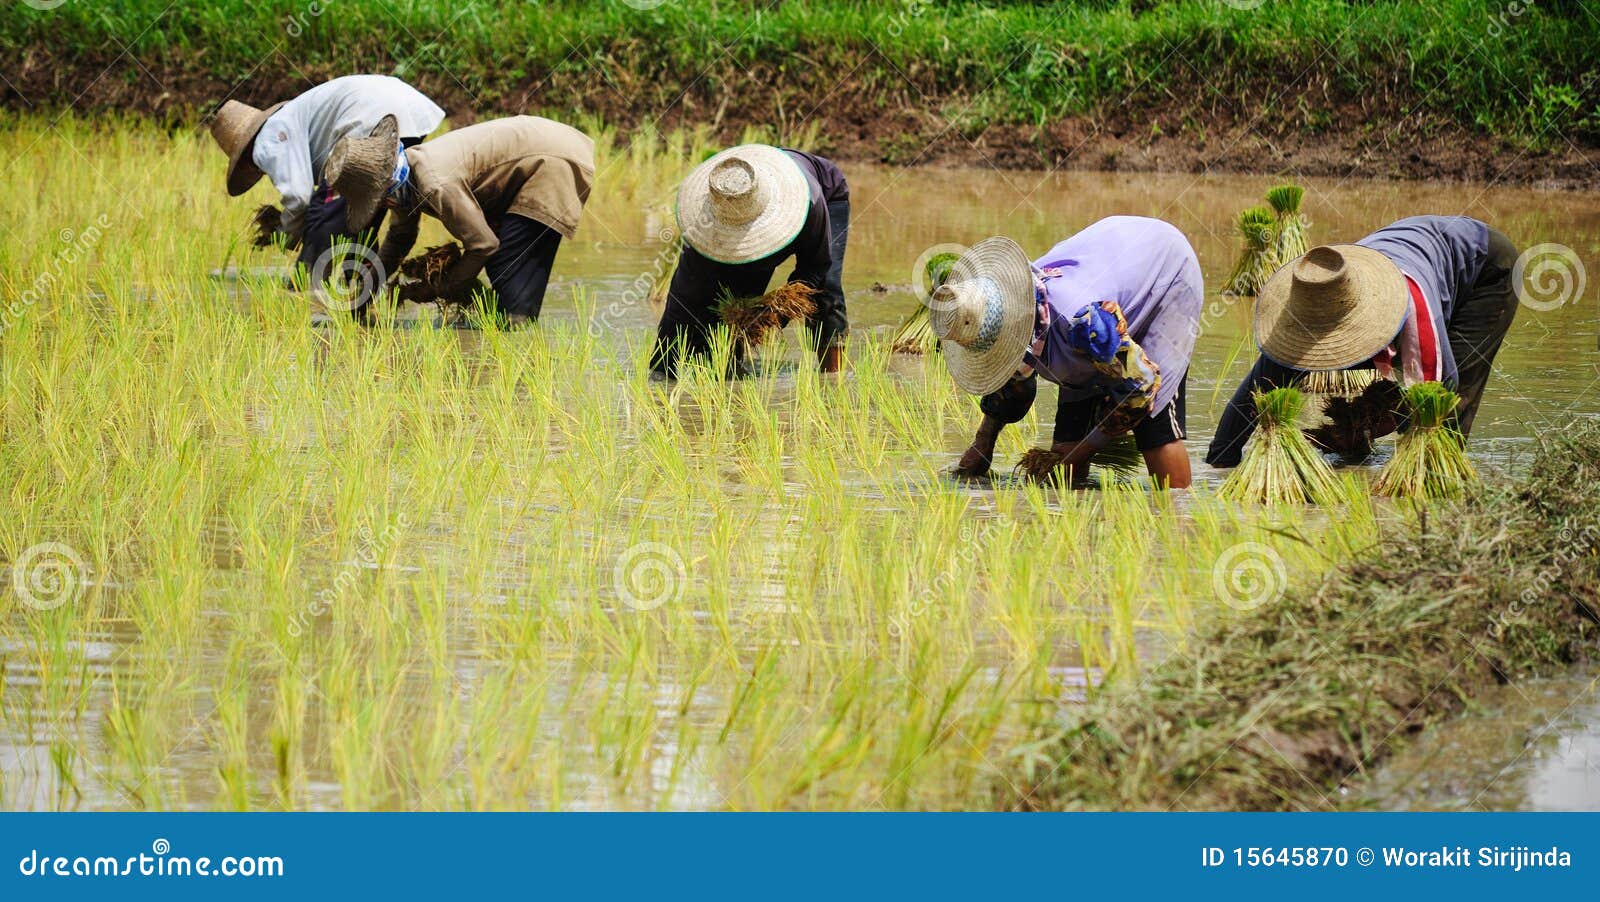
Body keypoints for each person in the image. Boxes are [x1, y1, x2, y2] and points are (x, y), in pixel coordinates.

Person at [1206, 215, 1519, 467]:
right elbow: (1254, 393)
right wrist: (1222, 459)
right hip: (1405, 248)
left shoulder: (1413, 311)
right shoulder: (1306, 313)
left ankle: (1437, 493)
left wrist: (1382, 429)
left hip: (1485, 269)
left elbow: (1440, 392)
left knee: (1448, 407)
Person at [940, 216, 1204, 489]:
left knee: (1153, 427)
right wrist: (983, 443)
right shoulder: (1007, 310)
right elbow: (1010, 383)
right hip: (1101, 284)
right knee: (1066, 452)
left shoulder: (1083, 322)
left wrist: (1082, 453)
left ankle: (1177, 515)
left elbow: (1141, 387)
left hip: (1166, 268)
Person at [323, 114, 595, 323]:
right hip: (536, 153)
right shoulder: (403, 176)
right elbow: (399, 238)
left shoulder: (435, 184)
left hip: (552, 161)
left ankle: (518, 336)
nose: (383, 207)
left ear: (385, 193)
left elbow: (484, 245)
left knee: (507, 266)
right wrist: (362, 296)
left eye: (378, 203)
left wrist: (442, 287)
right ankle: (507, 327)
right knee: (503, 274)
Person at [208, 75, 445, 281]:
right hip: (411, 111)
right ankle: (360, 286)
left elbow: (299, 197)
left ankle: (306, 292)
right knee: (367, 209)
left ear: (246, 157)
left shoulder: (267, 141)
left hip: (370, 117)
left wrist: (285, 235)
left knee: (324, 214)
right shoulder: (292, 117)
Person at [651, 144, 850, 377]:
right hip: (743, 201)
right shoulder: (707, 215)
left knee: (826, 289)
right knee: (731, 291)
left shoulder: (810, 201)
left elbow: (815, 267)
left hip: (827, 196)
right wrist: (661, 371)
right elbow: (684, 298)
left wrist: (775, 314)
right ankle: (728, 369)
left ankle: (833, 380)